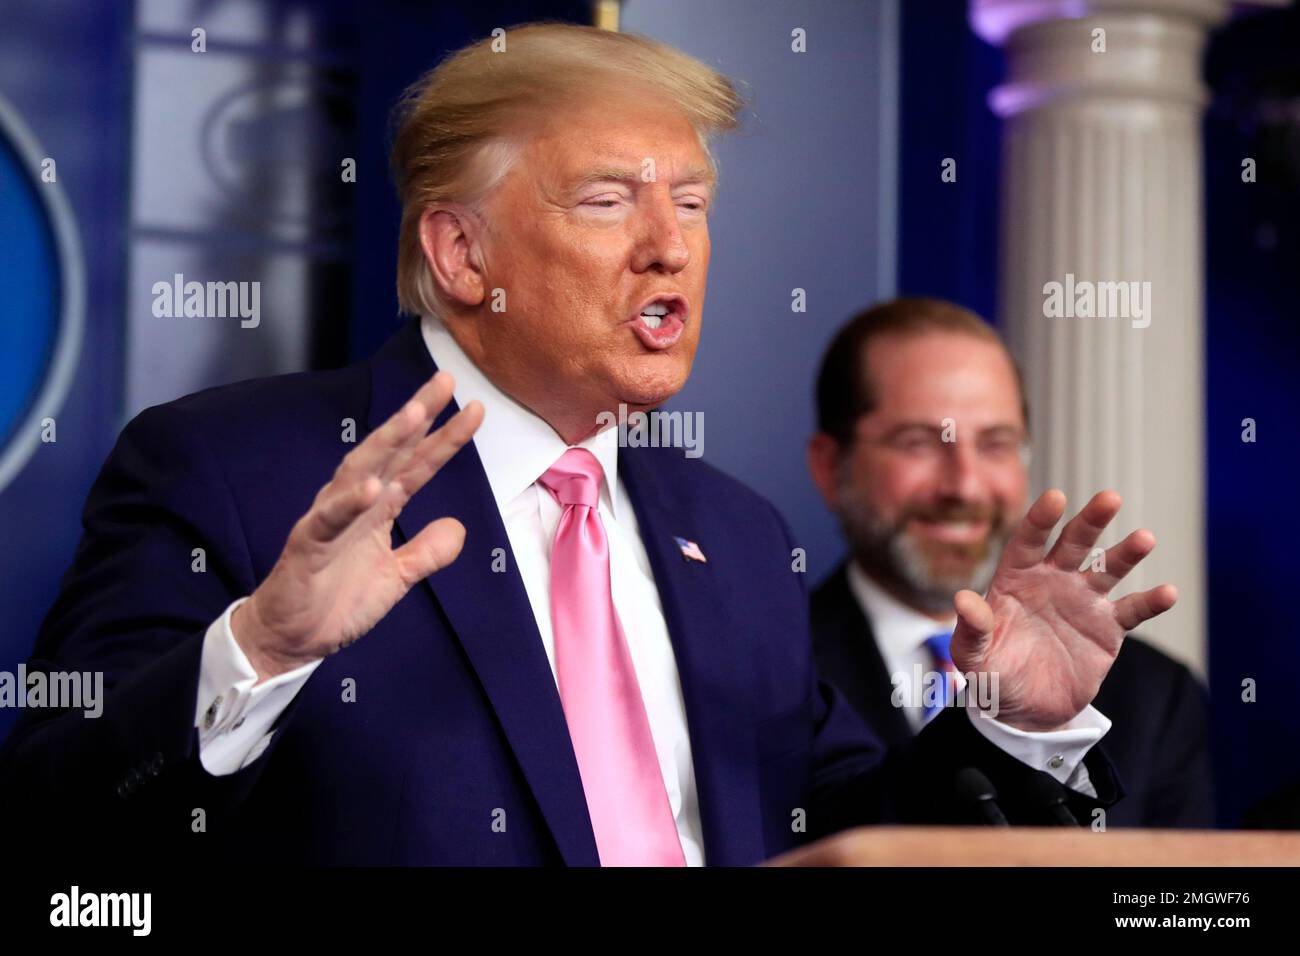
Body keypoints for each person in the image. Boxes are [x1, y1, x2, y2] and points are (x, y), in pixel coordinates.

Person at [0, 26, 1177, 865]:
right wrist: (257, 649)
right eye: (611, 200)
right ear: (462, 256)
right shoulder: (233, 470)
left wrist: (1008, 722)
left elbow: (839, 829)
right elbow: (56, 828)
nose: (672, 246)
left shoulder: (731, 529)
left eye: (695, 202)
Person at [807, 297, 1213, 828]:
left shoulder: (1156, 694)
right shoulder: (770, 673)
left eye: (996, 444)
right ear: (830, 466)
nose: (964, 485)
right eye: (919, 443)